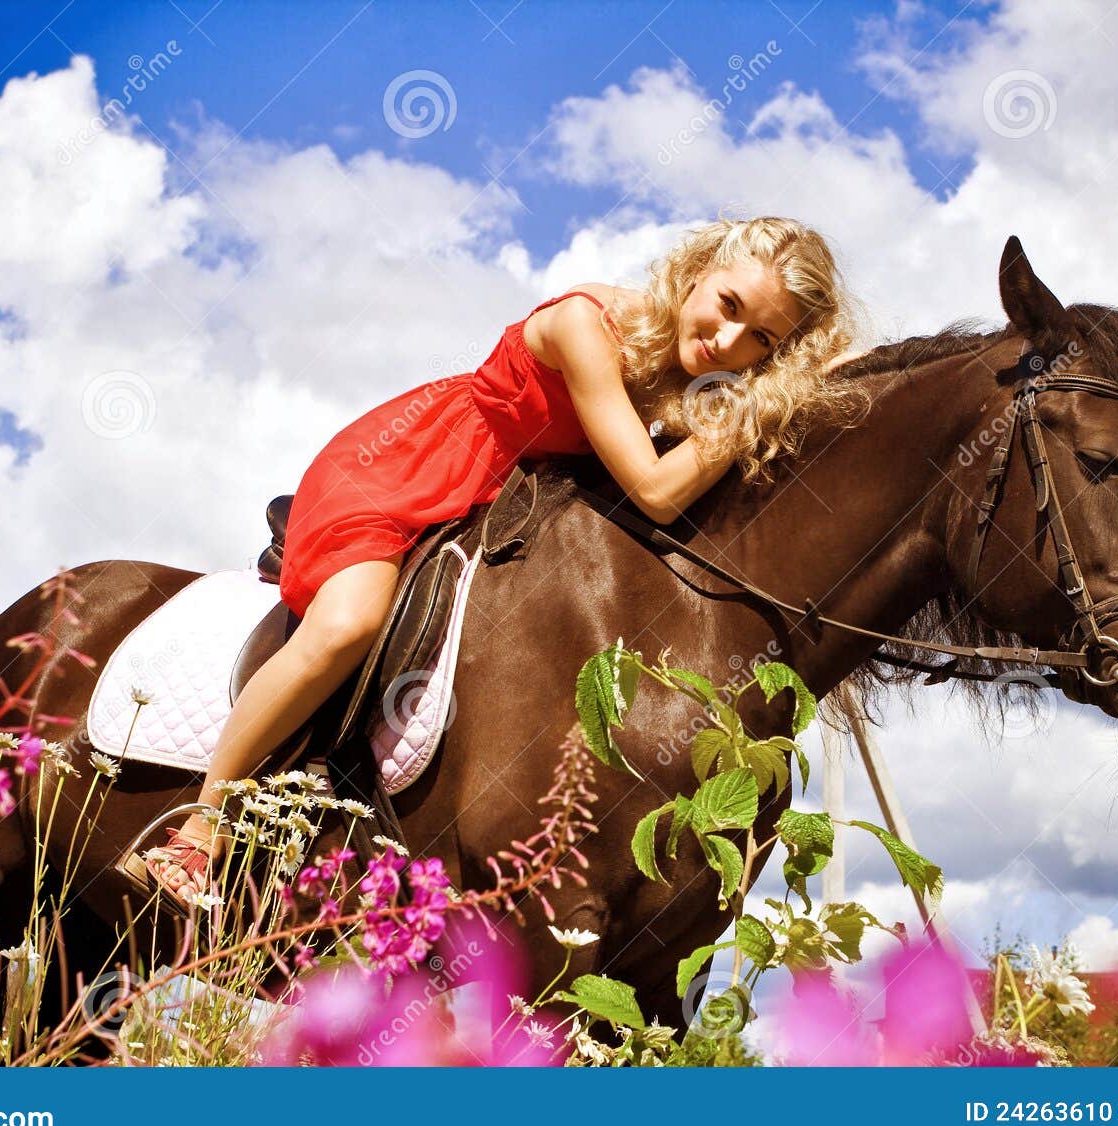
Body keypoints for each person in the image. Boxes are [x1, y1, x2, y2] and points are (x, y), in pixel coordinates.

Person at [117, 214, 859, 910]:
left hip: (506, 500)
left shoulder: (707, 374)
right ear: (699, 269)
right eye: (727, 304)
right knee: (351, 622)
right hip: (411, 471)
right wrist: (761, 405)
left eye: (761, 340)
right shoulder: (586, 324)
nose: (728, 342)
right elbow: (658, 491)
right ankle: (200, 827)